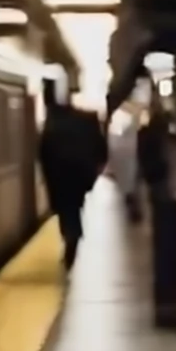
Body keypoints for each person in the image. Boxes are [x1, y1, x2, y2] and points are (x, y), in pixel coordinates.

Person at [136, 92, 176, 330]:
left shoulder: (153, 136)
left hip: (165, 197)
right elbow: (159, 168)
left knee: (171, 253)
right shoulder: (156, 137)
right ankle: (169, 309)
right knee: (171, 253)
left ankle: (170, 306)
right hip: (165, 198)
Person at [39, 93, 105, 271]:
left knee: (66, 211)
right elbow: (101, 150)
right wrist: (92, 174)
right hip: (80, 177)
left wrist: (46, 179)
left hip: (59, 178)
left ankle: (71, 237)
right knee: (74, 207)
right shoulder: (86, 122)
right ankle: (73, 238)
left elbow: (43, 153)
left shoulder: (52, 125)